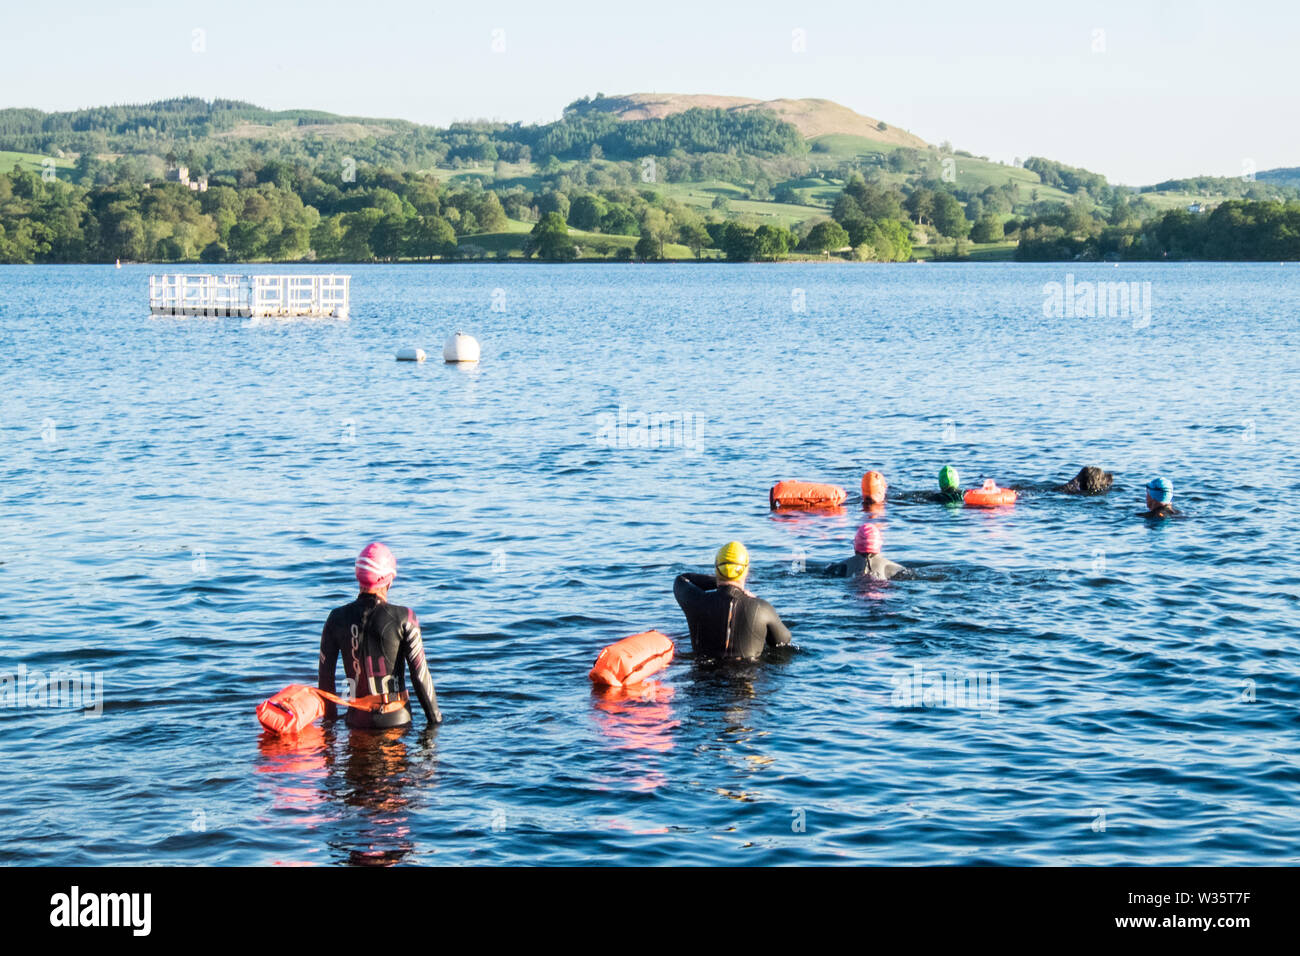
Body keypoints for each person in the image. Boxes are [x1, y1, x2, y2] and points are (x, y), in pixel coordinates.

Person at [319, 542, 442, 729]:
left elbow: (326, 681)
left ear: (357, 576)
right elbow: (420, 676)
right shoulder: (405, 618)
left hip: (355, 720)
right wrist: (435, 724)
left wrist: (329, 729)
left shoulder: (335, 618)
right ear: (389, 579)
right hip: (395, 720)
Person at [673, 541, 791, 660]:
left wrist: (722, 581)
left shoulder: (696, 601)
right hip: (746, 675)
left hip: (704, 676)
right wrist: (740, 588)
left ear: (716, 569)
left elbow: (681, 579)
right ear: (746, 570)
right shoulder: (762, 608)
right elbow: (783, 641)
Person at [824, 524, 905, 580]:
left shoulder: (839, 567)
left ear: (855, 544)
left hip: (854, 587)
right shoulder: (897, 569)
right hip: (879, 588)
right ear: (879, 544)